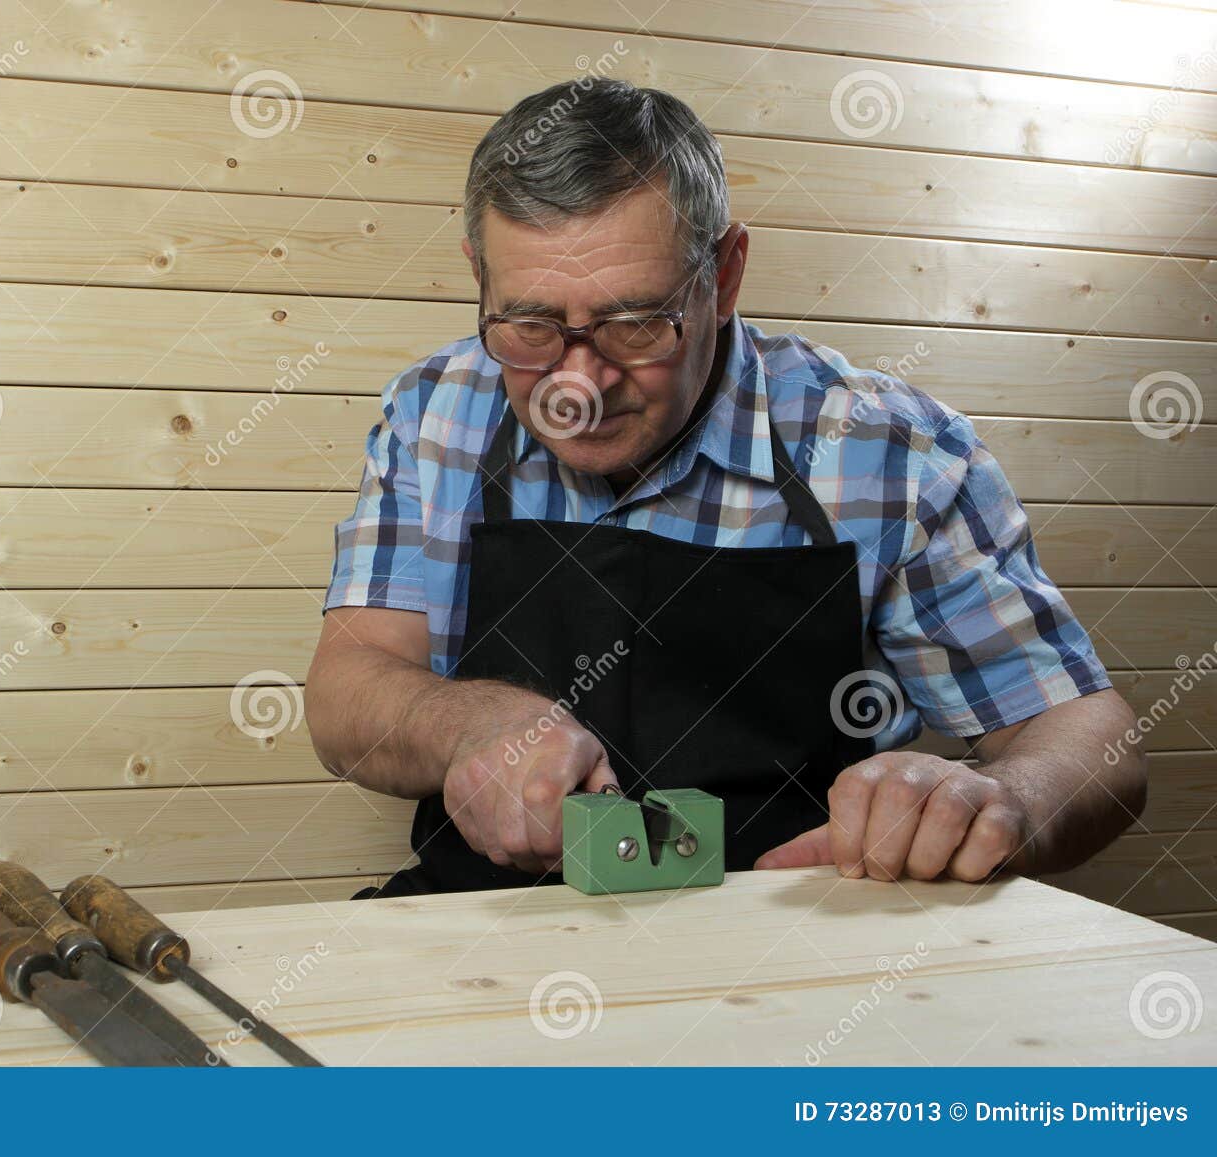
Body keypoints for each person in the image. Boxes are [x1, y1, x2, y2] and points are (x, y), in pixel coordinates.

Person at [304, 78, 1146, 898]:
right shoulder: (434, 412)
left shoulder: (892, 452)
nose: (578, 385)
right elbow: (348, 688)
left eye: (635, 322)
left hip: (788, 937)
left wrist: (1010, 800)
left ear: (726, 274)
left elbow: (1085, 733)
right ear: (477, 277)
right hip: (481, 924)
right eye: (530, 325)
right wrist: (466, 726)